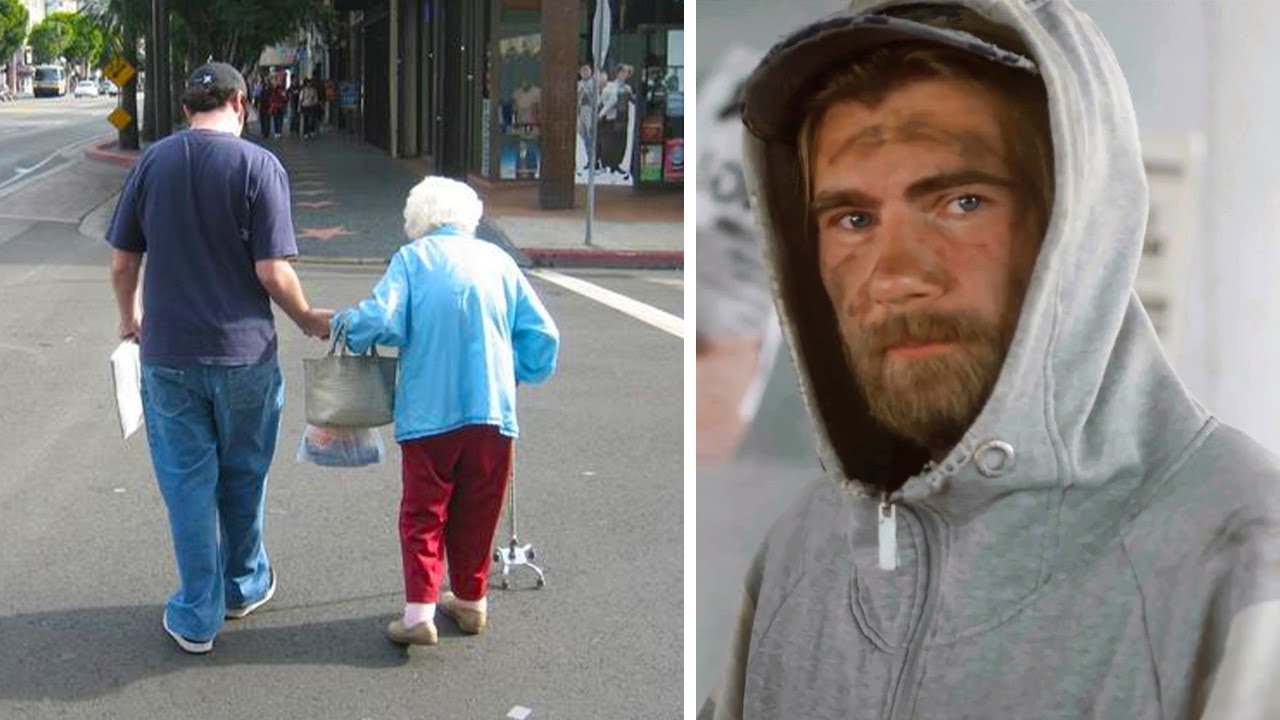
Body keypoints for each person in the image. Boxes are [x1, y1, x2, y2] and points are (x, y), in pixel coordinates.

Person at [702, 2, 1280, 718]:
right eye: (852, 220)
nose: (895, 276)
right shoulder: (802, 552)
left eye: (961, 202)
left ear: (1075, 224)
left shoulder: (1240, 549)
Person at [106, 62, 334, 655]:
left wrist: (128, 320)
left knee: (187, 485)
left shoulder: (152, 163)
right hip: (245, 356)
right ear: (241, 102)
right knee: (243, 474)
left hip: (169, 354)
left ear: (186, 110)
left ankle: (196, 614)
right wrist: (308, 317)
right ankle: (243, 584)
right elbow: (271, 270)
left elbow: (123, 261)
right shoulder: (260, 166)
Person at [332, 176, 559, 646]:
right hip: (493, 409)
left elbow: (382, 320)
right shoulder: (499, 261)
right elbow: (542, 337)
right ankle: (472, 599)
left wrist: (344, 326)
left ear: (418, 219)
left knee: (424, 511)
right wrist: (519, 372)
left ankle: (419, 613)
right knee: (480, 506)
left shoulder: (412, 260)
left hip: (429, 412)